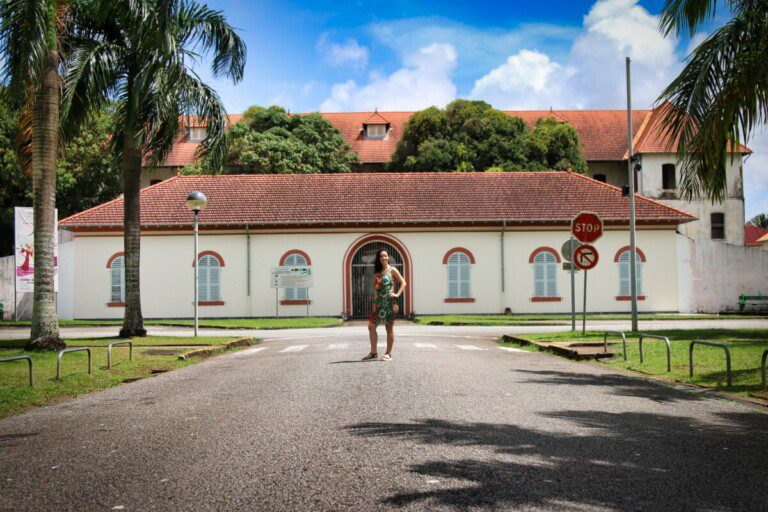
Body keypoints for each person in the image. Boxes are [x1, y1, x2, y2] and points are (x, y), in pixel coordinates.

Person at [362, 249, 406, 361]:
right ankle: (373, 353)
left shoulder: (392, 270)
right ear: (379, 258)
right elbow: (377, 289)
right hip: (379, 305)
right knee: (371, 326)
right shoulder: (378, 272)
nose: (384, 258)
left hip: (389, 304)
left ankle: (388, 354)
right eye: (381, 256)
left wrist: (397, 294)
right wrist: (375, 302)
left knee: (389, 328)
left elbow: (403, 282)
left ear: (388, 257)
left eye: (385, 256)